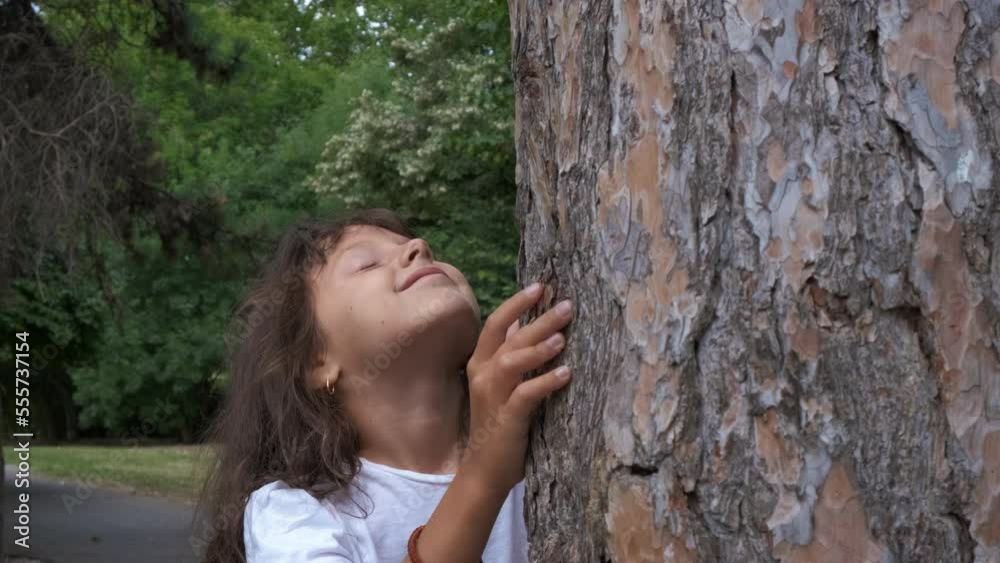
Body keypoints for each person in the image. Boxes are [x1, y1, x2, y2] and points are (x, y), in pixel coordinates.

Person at [193, 208, 574, 563]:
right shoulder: (293, 512)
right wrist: (483, 475)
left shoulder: (546, 438)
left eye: (424, 247)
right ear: (316, 360)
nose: (419, 247)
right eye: (366, 264)